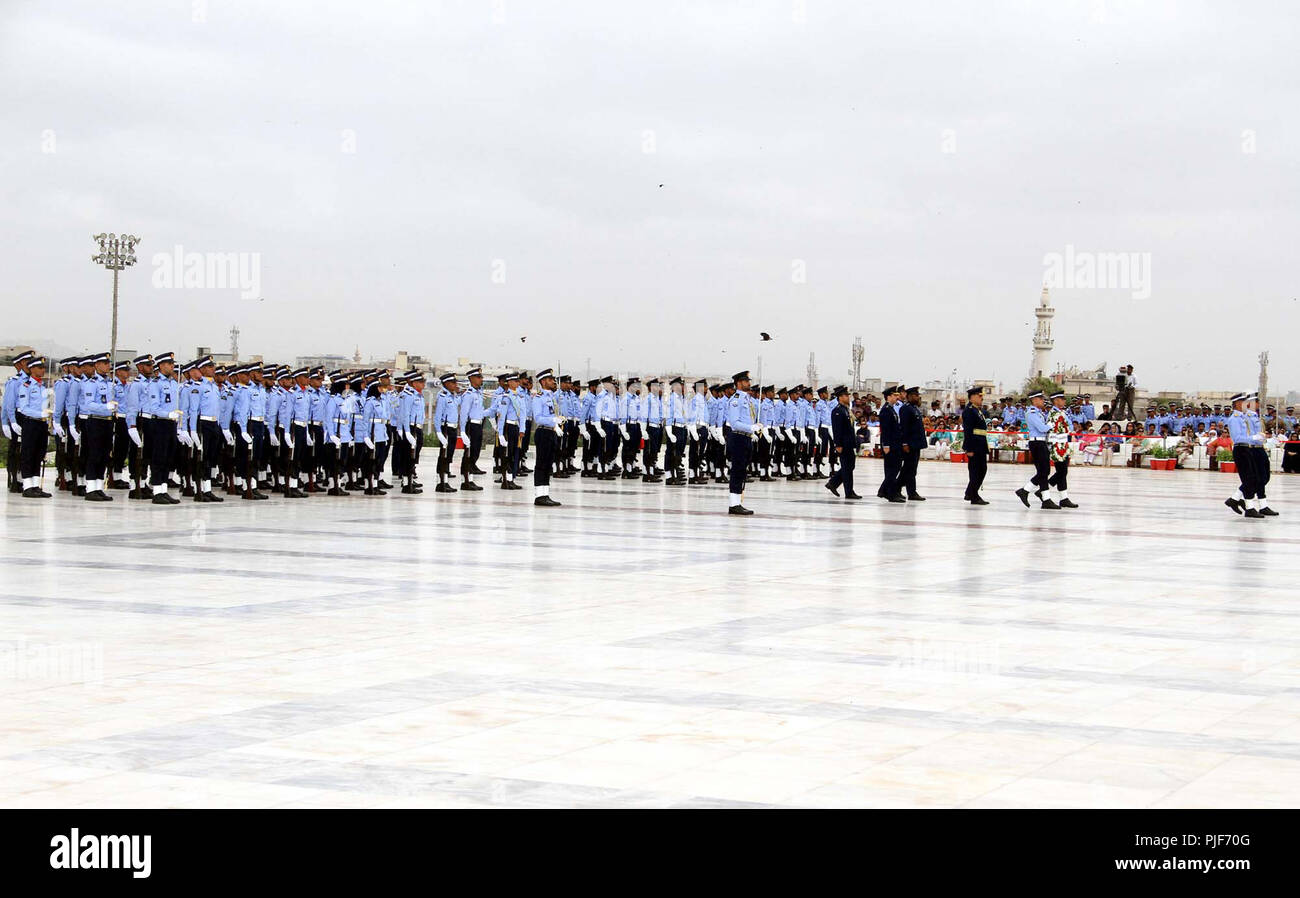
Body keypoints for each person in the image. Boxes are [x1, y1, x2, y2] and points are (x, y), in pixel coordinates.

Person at [15, 355, 51, 498]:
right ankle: (27, 486)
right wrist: (39, 412)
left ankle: (35, 485)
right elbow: (23, 408)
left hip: (42, 423)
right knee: (28, 454)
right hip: (31, 422)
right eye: (39, 368)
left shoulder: (43, 386)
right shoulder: (26, 386)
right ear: (31, 369)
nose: (42, 370)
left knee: (39, 454)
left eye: (43, 368)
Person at [724, 370, 758, 515]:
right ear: (738, 383)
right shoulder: (736, 400)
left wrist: (753, 430)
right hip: (738, 437)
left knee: (742, 471)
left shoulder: (747, 399)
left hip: (746, 437)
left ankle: (738, 501)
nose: (748, 383)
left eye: (748, 381)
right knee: (737, 471)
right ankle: (734, 504)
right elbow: (734, 423)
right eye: (745, 381)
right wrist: (751, 427)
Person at [1015, 390, 1056, 509]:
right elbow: (1042, 428)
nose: (1043, 401)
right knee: (1044, 471)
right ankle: (1025, 491)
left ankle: (1045, 499)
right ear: (1034, 400)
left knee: (1044, 472)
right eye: (1041, 398)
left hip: (1041, 442)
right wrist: (1052, 425)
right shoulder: (1032, 412)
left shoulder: (1038, 412)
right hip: (1037, 443)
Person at [531, 368, 563, 507]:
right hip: (543, 432)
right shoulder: (539, 398)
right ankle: (539, 495)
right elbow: (538, 418)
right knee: (542, 464)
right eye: (550, 380)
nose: (553, 382)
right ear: (543, 382)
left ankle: (545, 494)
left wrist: (556, 424)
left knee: (548, 465)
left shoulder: (550, 397)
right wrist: (553, 421)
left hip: (551, 432)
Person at [824, 386, 860, 499]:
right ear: (840, 397)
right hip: (843, 444)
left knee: (849, 466)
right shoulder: (837, 411)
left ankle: (833, 483)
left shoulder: (845, 409)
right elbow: (837, 429)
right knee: (847, 467)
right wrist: (838, 444)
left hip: (849, 443)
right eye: (845, 395)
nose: (848, 397)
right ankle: (849, 492)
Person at [1046, 390, 1078, 508]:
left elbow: (1069, 426)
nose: (1064, 401)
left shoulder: (1061, 412)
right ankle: (1045, 488)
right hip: (1057, 444)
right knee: (1062, 471)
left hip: (1063, 443)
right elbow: (1054, 429)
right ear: (1056, 401)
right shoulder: (1053, 414)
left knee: (1063, 472)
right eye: (1062, 399)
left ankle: (1063, 498)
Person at [962, 385, 989, 504]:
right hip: (974, 445)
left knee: (982, 469)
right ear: (972, 397)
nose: (981, 398)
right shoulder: (969, 411)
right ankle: (973, 495)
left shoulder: (977, 410)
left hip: (981, 444)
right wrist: (969, 448)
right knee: (976, 471)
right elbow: (968, 431)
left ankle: (970, 492)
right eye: (979, 396)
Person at [877, 385, 905, 502]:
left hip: (895, 443)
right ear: (888, 397)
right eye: (894, 395)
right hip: (890, 444)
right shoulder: (886, 410)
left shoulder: (892, 409)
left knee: (895, 468)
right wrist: (886, 445)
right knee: (892, 469)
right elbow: (886, 429)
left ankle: (884, 491)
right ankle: (890, 493)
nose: (896, 397)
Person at [899, 386, 926, 500]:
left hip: (916, 443)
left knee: (911, 469)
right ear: (909, 396)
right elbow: (904, 428)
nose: (918, 397)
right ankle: (901, 489)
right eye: (915, 395)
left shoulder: (914, 408)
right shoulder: (906, 408)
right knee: (908, 469)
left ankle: (909, 491)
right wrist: (904, 443)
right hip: (910, 444)